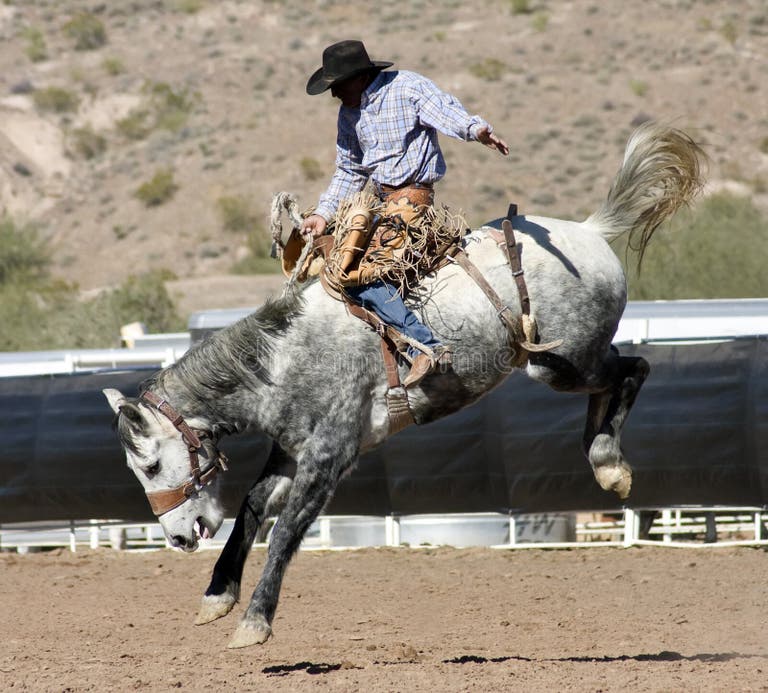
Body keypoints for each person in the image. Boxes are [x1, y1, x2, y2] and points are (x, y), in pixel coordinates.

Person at [301, 40, 509, 388]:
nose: (334, 94)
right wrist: (323, 214)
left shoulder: (407, 88)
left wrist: (476, 130)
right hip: (379, 204)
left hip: (412, 204)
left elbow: (446, 112)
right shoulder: (348, 114)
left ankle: (425, 347)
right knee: (329, 266)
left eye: (337, 85)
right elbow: (349, 171)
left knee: (359, 274)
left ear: (359, 77)